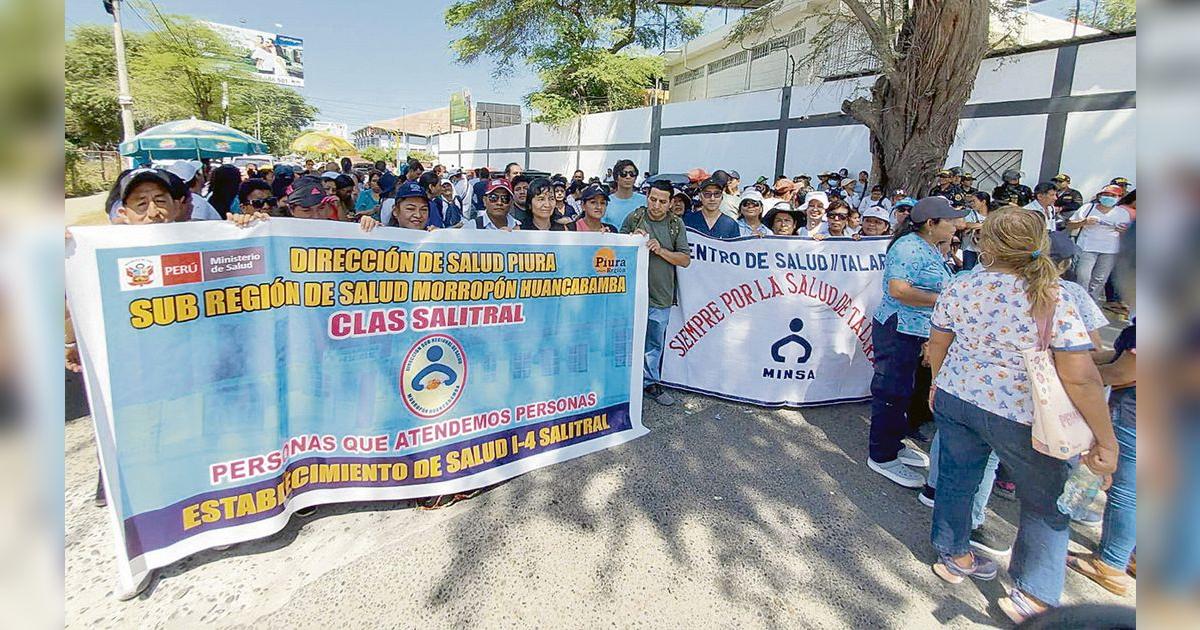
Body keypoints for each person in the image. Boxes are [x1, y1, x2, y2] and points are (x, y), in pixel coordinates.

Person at [925, 208, 1118, 623]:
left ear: (987, 245)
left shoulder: (961, 286)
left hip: (958, 396)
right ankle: (1032, 592)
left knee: (958, 480)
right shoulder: (1053, 296)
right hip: (1023, 412)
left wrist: (938, 382)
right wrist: (1106, 437)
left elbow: (937, 343)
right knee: (1045, 501)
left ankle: (953, 553)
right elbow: (1080, 376)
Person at [867, 196, 966, 488]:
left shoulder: (930, 247)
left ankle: (895, 442)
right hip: (900, 329)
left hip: (920, 330)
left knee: (907, 391)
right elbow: (898, 290)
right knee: (892, 391)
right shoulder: (909, 247)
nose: (956, 225)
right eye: (950, 221)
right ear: (931, 223)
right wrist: (943, 300)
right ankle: (882, 455)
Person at [621, 180, 690, 406]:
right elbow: (616, 247)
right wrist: (632, 238)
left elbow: (685, 259)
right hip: (630, 295)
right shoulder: (635, 218)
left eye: (662, 201)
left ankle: (650, 382)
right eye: (653, 199)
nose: (656, 205)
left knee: (654, 342)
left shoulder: (676, 224)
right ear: (647, 197)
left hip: (660, 296)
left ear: (670, 203)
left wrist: (661, 250)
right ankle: (625, 384)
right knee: (627, 339)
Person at [1066, 184, 1130, 304]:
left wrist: (1123, 231)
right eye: (1106, 195)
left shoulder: (1122, 213)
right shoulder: (1088, 208)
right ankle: (1079, 302)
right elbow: (1070, 225)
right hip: (1087, 247)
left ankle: (1092, 304)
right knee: (1083, 276)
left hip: (1109, 250)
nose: (1109, 198)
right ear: (1100, 196)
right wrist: (1084, 222)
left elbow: (1127, 231)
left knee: (1099, 279)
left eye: (1113, 196)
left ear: (1119, 198)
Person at [357, 180, 430, 231]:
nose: (418, 215)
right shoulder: (383, 236)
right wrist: (368, 225)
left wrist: (439, 236)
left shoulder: (433, 236)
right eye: (410, 209)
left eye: (424, 209)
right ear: (395, 211)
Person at [603, 159, 649, 227]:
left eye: (632, 174)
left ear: (635, 177)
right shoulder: (606, 202)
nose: (628, 177)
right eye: (623, 174)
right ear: (616, 178)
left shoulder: (645, 201)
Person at [959, 192, 990, 269]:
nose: (972, 204)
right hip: (970, 249)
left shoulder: (992, 214)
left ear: (983, 202)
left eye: (974, 201)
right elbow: (966, 224)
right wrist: (985, 226)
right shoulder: (970, 213)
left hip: (986, 250)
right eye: (971, 201)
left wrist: (976, 226)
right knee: (968, 271)